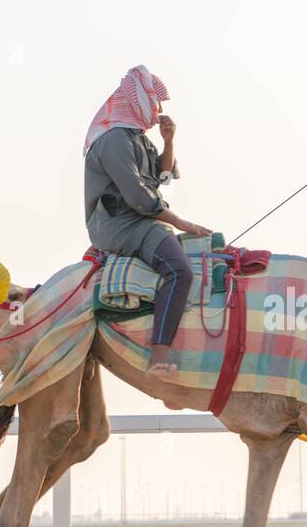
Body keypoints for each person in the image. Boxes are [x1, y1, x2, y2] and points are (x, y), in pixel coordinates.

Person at [83, 65, 211, 381]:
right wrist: (181, 222)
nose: (159, 112)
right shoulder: (114, 140)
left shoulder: (137, 138)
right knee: (179, 271)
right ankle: (161, 350)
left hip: (143, 219)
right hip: (122, 224)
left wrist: (169, 140)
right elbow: (139, 197)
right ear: (139, 101)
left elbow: (162, 177)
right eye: (156, 103)